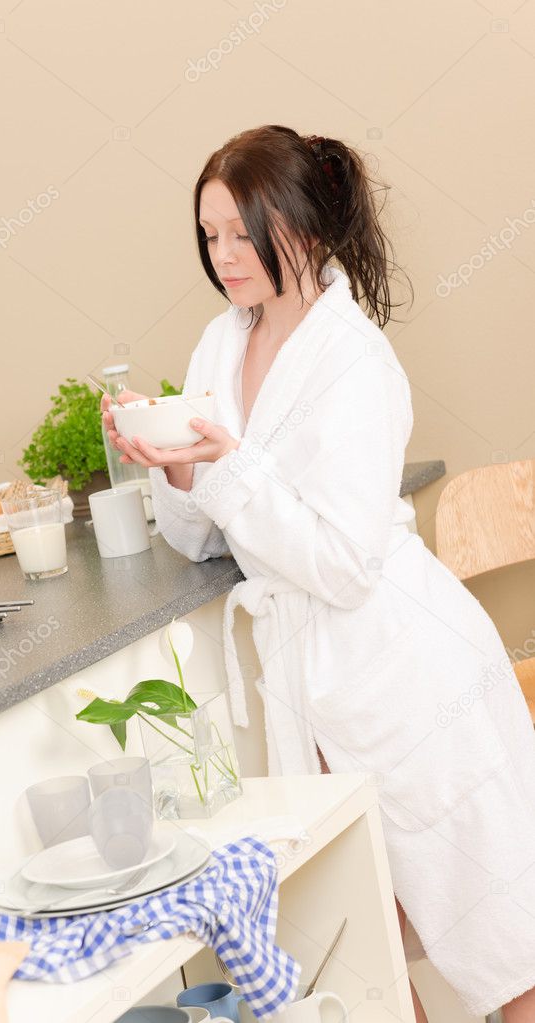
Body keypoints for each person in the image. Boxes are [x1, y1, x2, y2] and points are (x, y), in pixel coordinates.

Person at [101, 124, 535, 1021]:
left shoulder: (354, 359)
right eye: (209, 235)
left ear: (302, 226)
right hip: (309, 679)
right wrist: (173, 465)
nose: (224, 256)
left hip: (405, 667)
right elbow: (206, 538)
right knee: (362, 943)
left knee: (504, 941)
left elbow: (341, 562)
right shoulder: (220, 345)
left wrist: (225, 468)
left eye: (242, 232)